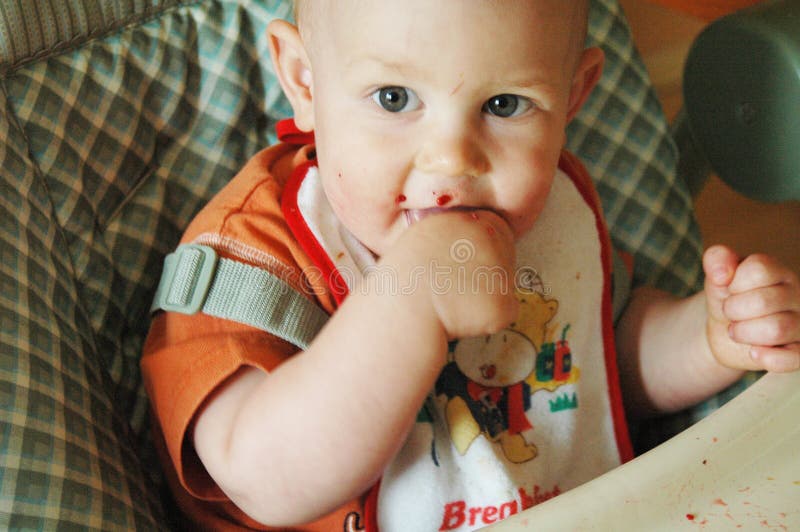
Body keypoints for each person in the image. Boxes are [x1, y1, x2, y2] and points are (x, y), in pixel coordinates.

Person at [141, 1, 800, 530]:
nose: (452, 159)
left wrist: (711, 336)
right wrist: (408, 304)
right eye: (394, 98)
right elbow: (259, 479)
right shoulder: (256, 250)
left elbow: (599, 364)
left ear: (573, 96)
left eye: (505, 105)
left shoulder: (552, 216)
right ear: (304, 80)